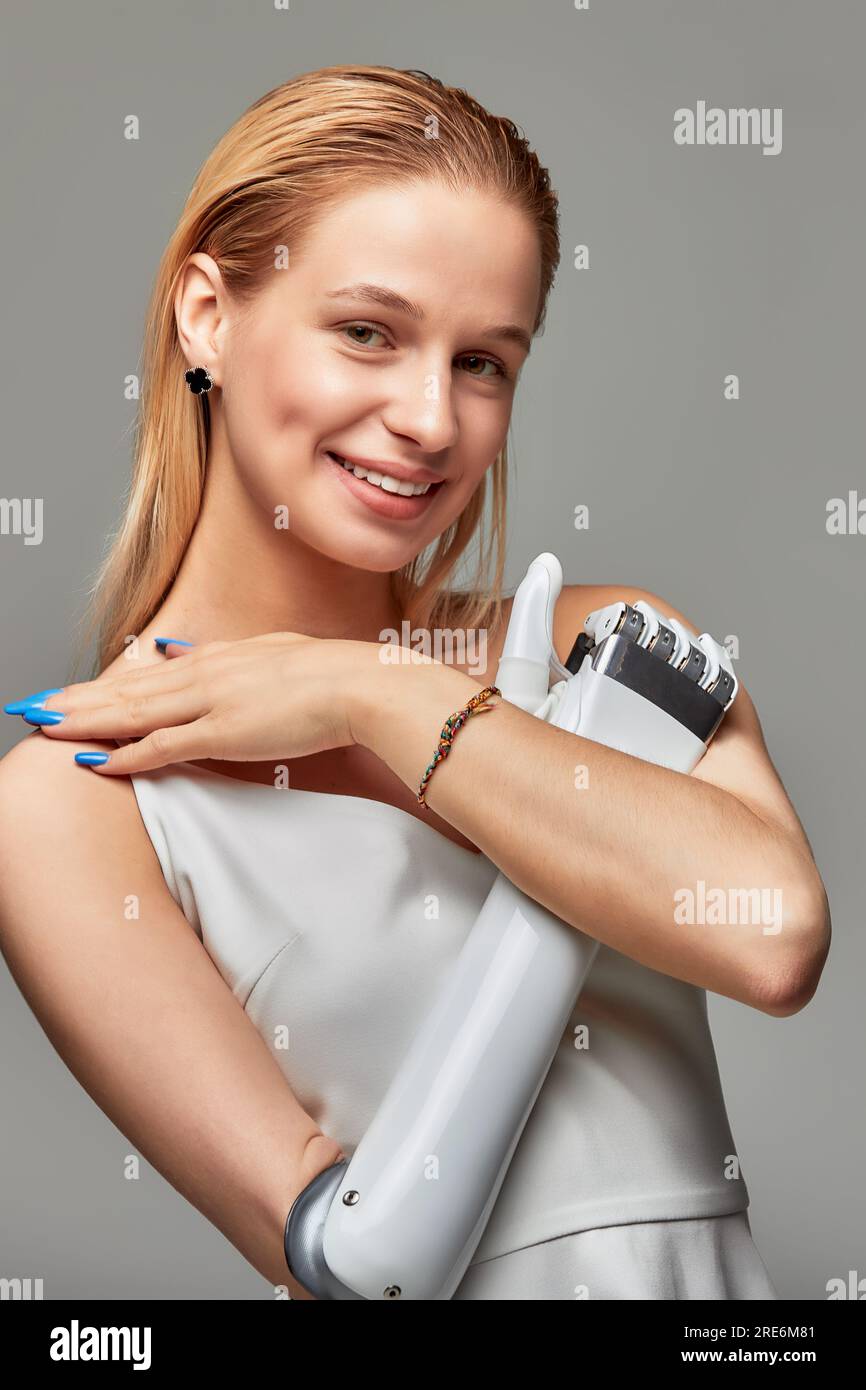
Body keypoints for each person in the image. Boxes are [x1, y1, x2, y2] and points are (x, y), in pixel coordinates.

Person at [0, 66, 829, 1301]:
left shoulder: (617, 645)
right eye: (368, 333)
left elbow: (771, 939)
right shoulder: (77, 804)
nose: (431, 418)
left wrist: (376, 694)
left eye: (485, 362)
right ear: (205, 316)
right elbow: (365, 1263)